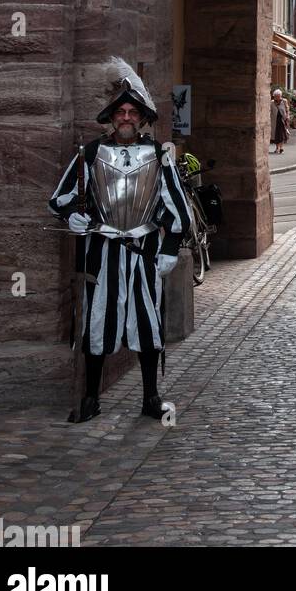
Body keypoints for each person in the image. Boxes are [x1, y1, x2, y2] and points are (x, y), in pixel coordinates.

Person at [49, 60, 192, 424]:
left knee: (146, 324)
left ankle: (150, 397)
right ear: (112, 118)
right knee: (98, 321)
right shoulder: (91, 154)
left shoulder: (160, 155)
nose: (126, 117)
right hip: (102, 252)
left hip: (143, 252)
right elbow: (60, 198)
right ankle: (91, 397)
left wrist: (170, 249)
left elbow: (177, 208)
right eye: (120, 112)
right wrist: (74, 217)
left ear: (141, 117)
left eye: (132, 112)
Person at [270, 87, 290, 155]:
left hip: (282, 120)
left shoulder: (284, 101)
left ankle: (281, 148)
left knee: (282, 135)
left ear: (281, 96)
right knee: (276, 135)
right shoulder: (272, 102)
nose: (277, 97)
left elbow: (287, 109)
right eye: (276, 96)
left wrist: (287, 116)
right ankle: (277, 148)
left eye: (278, 96)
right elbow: (269, 111)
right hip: (275, 121)